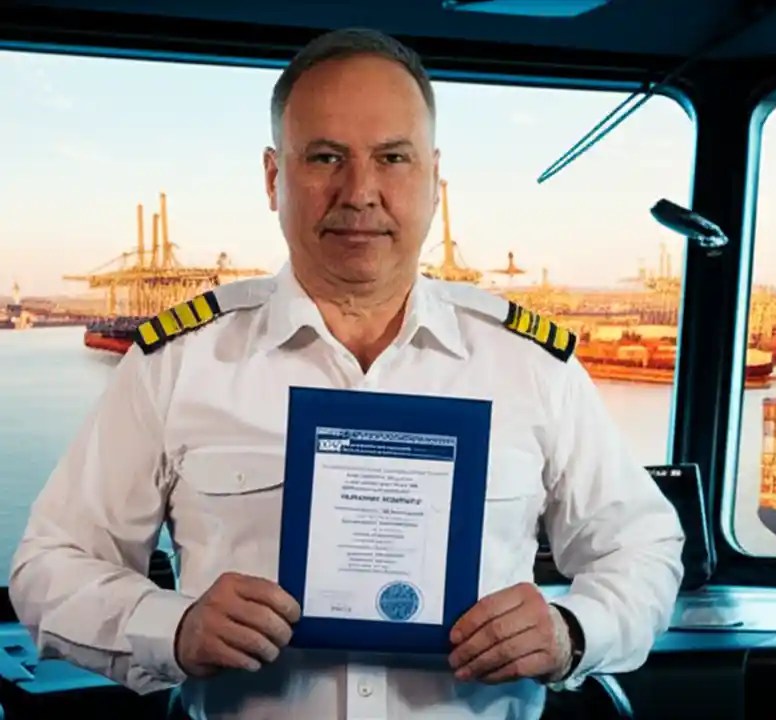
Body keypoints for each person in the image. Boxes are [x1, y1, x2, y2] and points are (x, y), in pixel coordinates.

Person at [9, 27, 685, 720]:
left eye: (392, 158)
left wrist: (573, 632)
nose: (359, 191)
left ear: (433, 178)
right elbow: (48, 568)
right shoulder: (180, 363)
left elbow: (645, 548)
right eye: (325, 156)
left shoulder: (529, 365)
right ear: (274, 178)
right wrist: (171, 627)